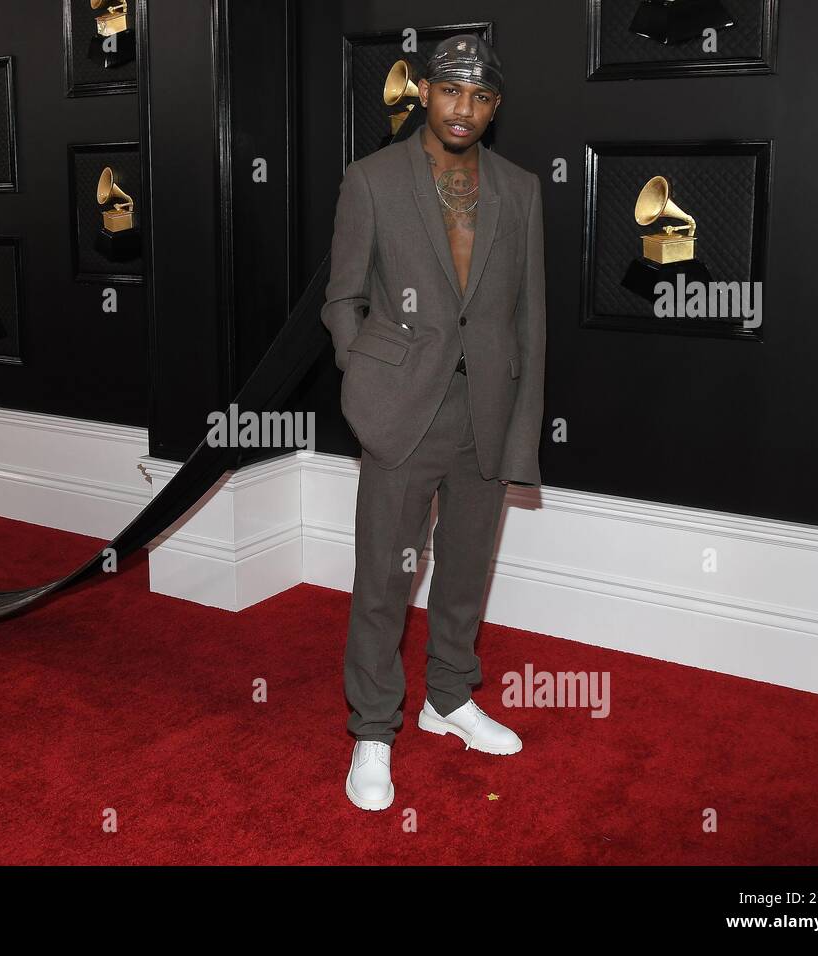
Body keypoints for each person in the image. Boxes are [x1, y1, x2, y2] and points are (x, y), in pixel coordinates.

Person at [320, 34, 546, 811]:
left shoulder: (519, 190)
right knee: (386, 577)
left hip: (485, 408)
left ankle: (448, 699)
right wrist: (368, 374)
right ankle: (374, 731)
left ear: (495, 108)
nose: (465, 109)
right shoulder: (371, 179)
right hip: (400, 411)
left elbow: (529, 321)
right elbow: (341, 297)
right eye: (451, 91)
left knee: (464, 572)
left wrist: (521, 434)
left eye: (481, 97)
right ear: (422, 91)